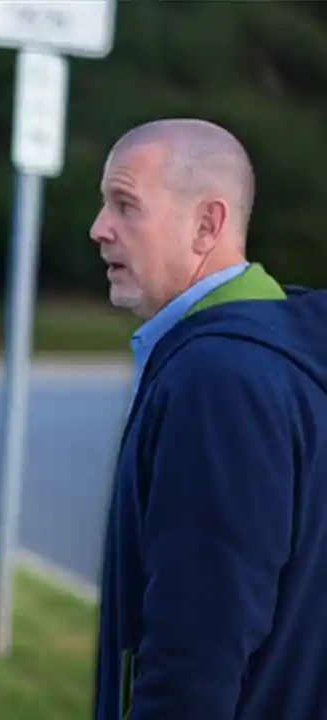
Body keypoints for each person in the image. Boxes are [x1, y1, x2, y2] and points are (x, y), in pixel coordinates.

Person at [90, 118, 327, 719]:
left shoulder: (221, 379)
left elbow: (199, 644)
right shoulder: (276, 353)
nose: (99, 229)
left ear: (206, 225)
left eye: (125, 205)